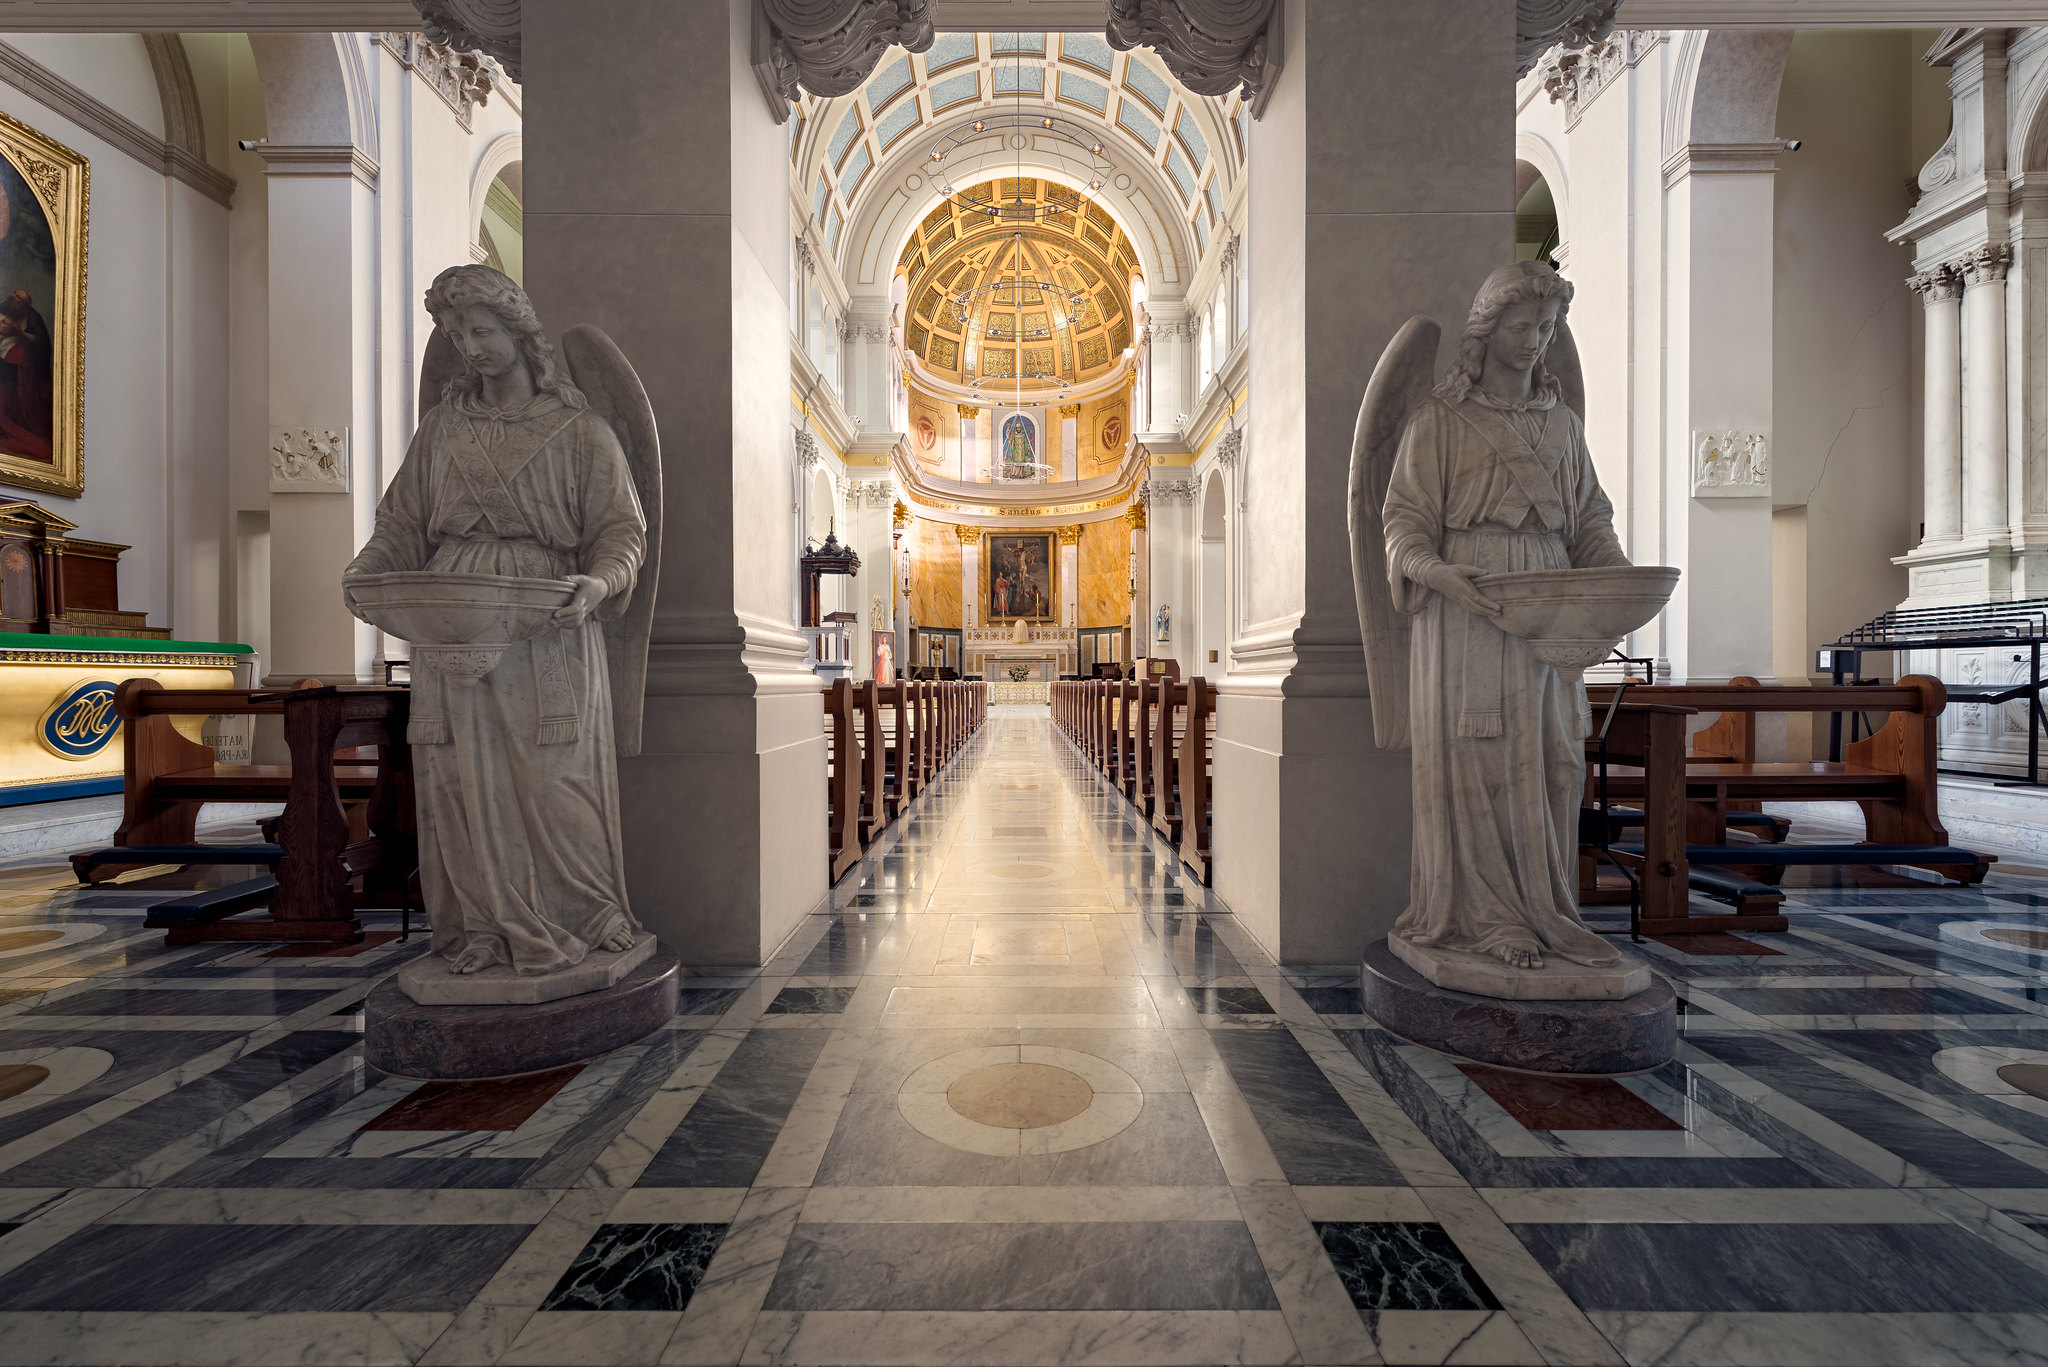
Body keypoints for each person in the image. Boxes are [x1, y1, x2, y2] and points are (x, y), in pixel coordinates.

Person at [344, 265, 645, 977]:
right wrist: (368, 569)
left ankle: (585, 911)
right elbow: (401, 525)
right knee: (459, 782)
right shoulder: (442, 431)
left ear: (518, 332)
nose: (469, 345)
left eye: (482, 330)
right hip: (451, 623)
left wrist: (599, 581)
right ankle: (481, 926)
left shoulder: (582, 432)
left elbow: (621, 532)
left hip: (545, 622)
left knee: (553, 782)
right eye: (456, 333)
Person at [1381, 261, 1629, 973]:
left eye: (1546, 328)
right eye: (1521, 326)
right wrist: (1438, 574)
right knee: (1479, 760)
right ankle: (1487, 917)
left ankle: (1547, 908)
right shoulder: (1439, 422)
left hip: (1549, 608)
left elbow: (1589, 521)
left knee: (1554, 762)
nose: (1534, 341)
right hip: (1469, 613)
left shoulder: (1564, 427)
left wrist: (1616, 580)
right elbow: (1403, 524)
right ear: (1486, 332)